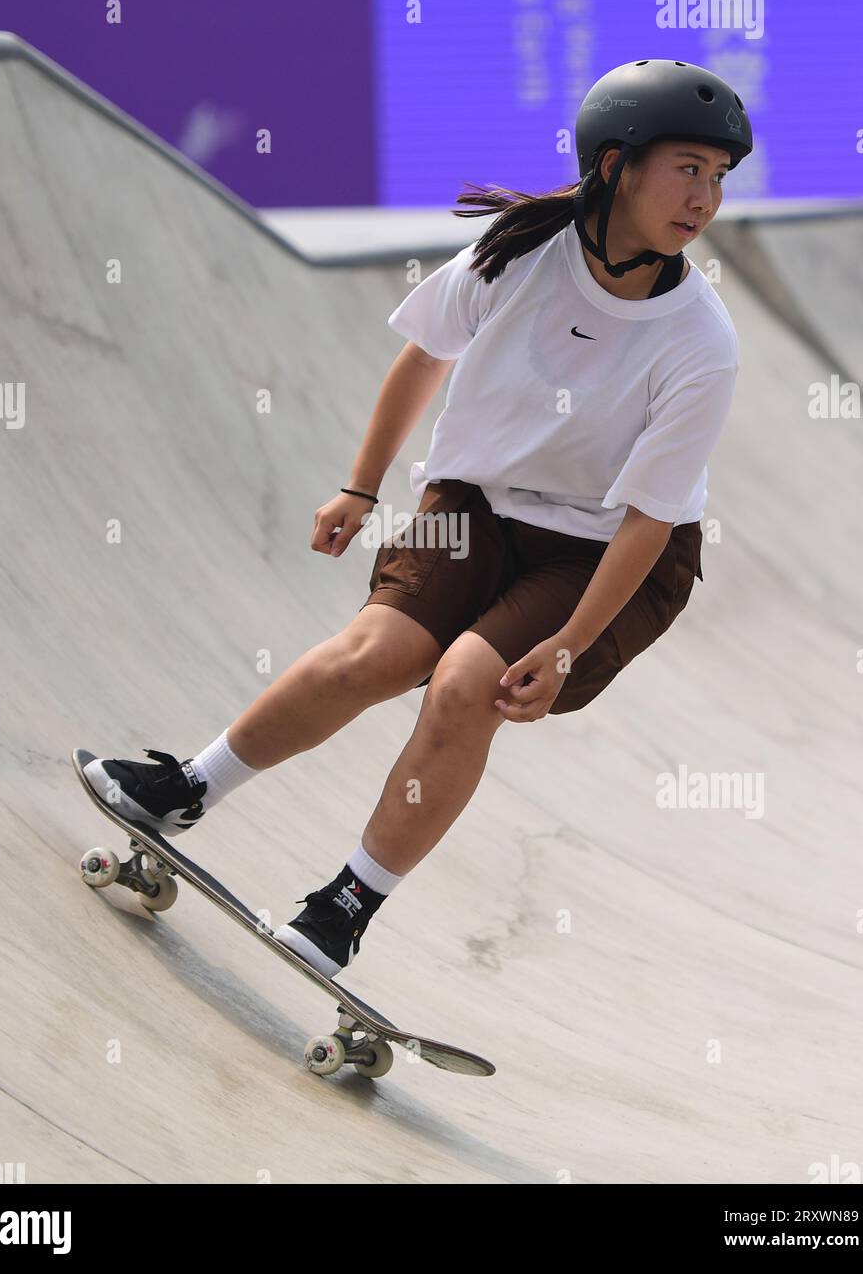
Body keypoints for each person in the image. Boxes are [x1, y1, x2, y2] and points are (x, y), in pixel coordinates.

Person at [81, 58, 753, 980]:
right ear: (614, 166)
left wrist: (566, 646)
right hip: (476, 508)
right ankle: (188, 787)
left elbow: (645, 522)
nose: (705, 198)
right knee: (374, 654)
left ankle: (346, 904)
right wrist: (361, 488)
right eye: (688, 168)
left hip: (608, 554)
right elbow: (423, 356)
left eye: (719, 178)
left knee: (463, 686)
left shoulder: (699, 341)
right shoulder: (516, 254)